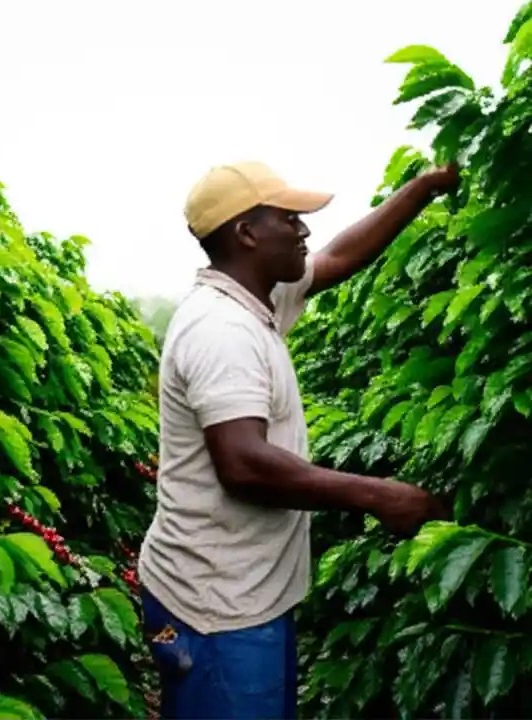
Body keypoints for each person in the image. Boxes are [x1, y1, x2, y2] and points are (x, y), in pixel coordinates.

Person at [137, 160, 459, 719]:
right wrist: (382, 495)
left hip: (245, 593)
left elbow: (338, 258)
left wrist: (425, 186)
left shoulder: (254, 301)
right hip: (217, 607)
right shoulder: (221, 329)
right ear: (247, 233)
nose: (303, 229)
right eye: (289, 219)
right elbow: (243, 465)